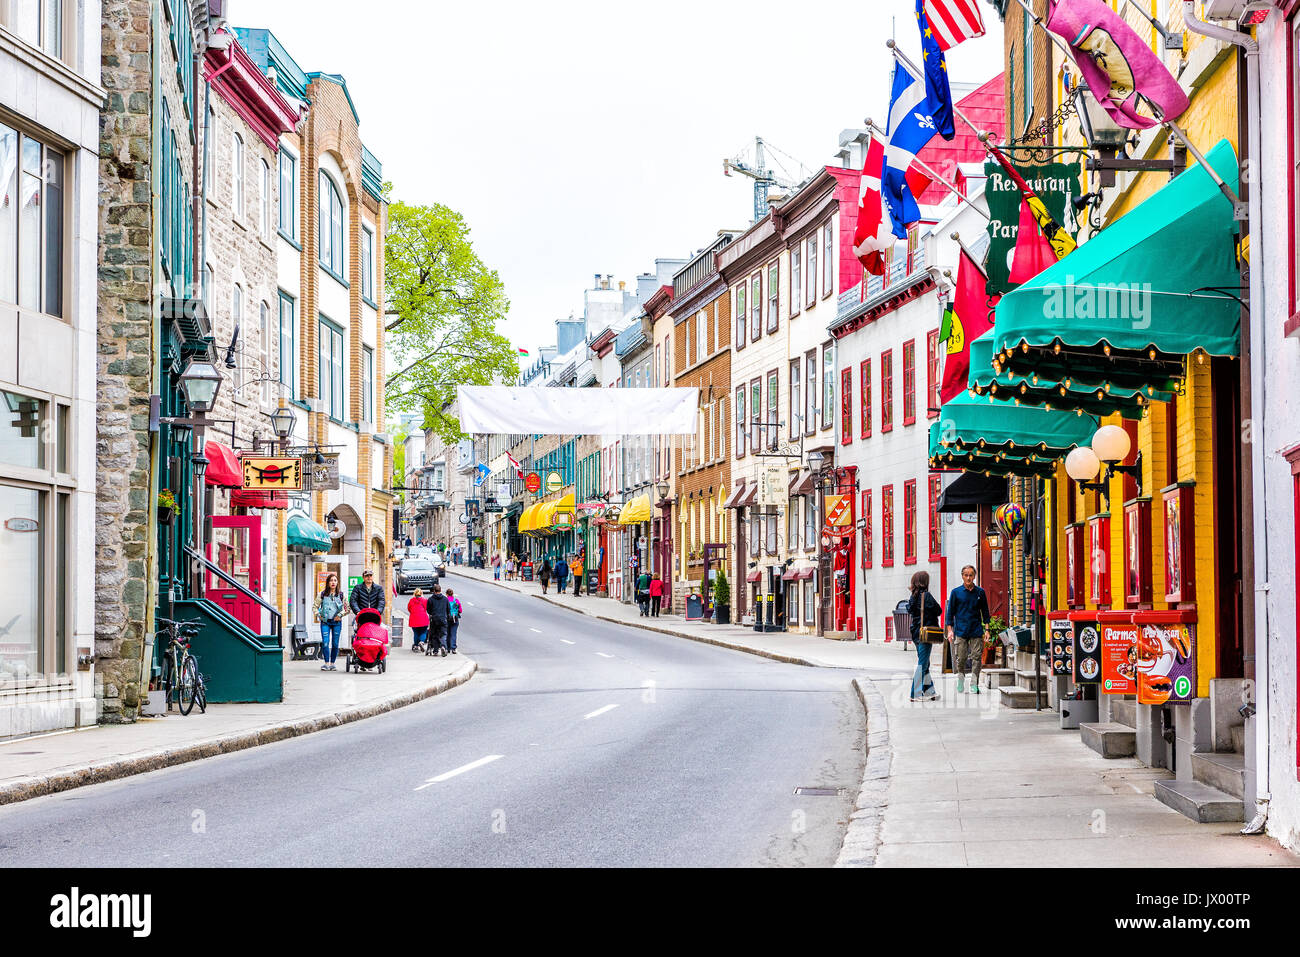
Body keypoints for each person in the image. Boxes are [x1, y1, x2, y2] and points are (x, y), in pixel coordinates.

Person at [946, 564, 991, 694]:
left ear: (974, 576)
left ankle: (974, 683)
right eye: (966, 575)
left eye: (971, 575)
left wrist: (987, 630)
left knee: (977, 657)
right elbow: (950, 613)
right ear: (962, 576)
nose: (968, 578)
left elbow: (985, 612)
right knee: (961, 657)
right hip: (960, 630)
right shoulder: (956, 592)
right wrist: (950, 630)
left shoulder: (980, 592)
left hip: (976, 630)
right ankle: (961, 676)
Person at [907, 571, 942, 702]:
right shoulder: (926, 596)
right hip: (926, 634)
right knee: (922, 663)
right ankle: (915, 693)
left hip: (915, 633)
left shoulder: (913, 597)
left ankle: (929, 691)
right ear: (924, 582)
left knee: (925, 662)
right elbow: (939, 610)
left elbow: (910, 610)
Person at [313, 573, 346, 672]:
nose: (333, 582)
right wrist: (319, 615)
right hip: (325, 622)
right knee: (326, 642)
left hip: (336, 622)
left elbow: (347, 608)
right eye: (331, 580)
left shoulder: (341, 595)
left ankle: (332, 664)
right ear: (327, 582)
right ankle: (326, 663)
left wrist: (340, 615)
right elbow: (315, 607)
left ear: (337, 583)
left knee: (335, 644)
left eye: (335, 580)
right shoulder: (322, 594)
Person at [425, 583, 450, 656]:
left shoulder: (430, 599)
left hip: (434, 619)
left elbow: (428, 610)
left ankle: (435, 650)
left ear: (434, 591)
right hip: (443, 619)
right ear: (440, 590)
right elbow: (448, 609)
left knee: (434, 635)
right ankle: (443, 646)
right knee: (443, 634)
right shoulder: (445, 599)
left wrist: (432, 613)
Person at [407, 587, 429, 653]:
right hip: (423, 619)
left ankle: (416, 646)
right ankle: (422, 642)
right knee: (423, 632)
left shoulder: (411, 600)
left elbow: (409, 609)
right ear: (421, 594)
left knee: (416, 633)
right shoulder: (425, 600)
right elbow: (426, 608)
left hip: (414, 619)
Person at [445, 588, 462, 654]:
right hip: (455, 619)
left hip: (447, 618)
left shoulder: (445, 600)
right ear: (452, 594)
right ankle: (453, 648)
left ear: (446, 594)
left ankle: (448, 648)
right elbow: (460, 610)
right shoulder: (456, 600)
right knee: (453, 634)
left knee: (447, 633)